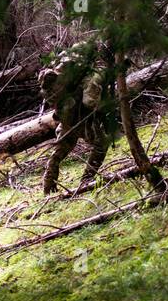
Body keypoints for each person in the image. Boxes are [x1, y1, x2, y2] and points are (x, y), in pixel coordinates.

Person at [38, 44, 122, 194]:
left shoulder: (63, 72)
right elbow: (90, 102)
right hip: (81, 115)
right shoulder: (87, 73)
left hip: (65, 116)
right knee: (101, 144)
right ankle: (87, 180)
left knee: (60, 150)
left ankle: (48, 185)